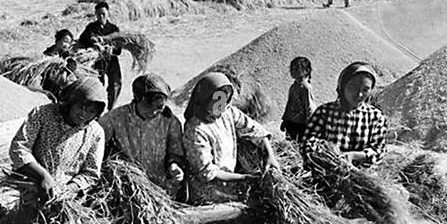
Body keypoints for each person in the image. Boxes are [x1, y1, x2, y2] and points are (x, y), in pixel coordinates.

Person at [183, 71, 277, 205]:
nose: (221, 104)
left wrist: (270, 156)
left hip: (232, 186)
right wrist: (245, 179)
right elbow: (208, 172)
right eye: (216, 99)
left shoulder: (228, 112)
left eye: (225, 99)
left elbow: (255, 130)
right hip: (208, 195)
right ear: (204, 99)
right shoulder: (196, 129)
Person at [9, 75, 106, 202]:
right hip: (30, 188)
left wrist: (68, 190)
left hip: (66, 199)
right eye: (81, 107)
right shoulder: (43, 114)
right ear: (71, 100)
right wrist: (43, 175)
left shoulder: (95, 133)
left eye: (91, 111)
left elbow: (91, 173)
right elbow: (19, 147)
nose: (84, 114)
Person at [100, 72, 185, 195]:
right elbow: (96, 145)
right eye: (149, 106)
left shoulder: (170, 122)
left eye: (159, 107)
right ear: (138, 99)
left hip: (161, 189)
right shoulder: (114, 119)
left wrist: (174, 165)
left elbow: (175, 152)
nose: (154, 112)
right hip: (127, 189)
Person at [303, 61, 388, 170]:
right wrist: (330, 157)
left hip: (360, 178)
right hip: (327, 173)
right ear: (342, 85)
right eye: (353, 87)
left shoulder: (376, 117)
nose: (359, 94)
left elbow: (379, 150)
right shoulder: (325, 112)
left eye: (365, 89)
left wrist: (353, 156)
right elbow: (308, 144)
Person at [77, 0, 122, 109]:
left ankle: (110, 108)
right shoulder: (91, 27)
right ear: (95, 15)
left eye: (103, 14)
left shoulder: (114, 29)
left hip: (111, 60)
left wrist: (113, 49)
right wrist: (93, 43)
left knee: (116, 84)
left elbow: (119, 48)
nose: (101, 17)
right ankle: (98, 110)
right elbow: (82, 39)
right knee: (98, 85)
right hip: (97, 61)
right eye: (98, 14)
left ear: (108, 13)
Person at [280, 56, 315, 143]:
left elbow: (309, 105)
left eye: (296, 69)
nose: (292, 71)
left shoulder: (305, 87)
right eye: (291, 69)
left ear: (306, 71)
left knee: (299, 144)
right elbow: (289, 104)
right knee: (290, 143)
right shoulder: (293, 86)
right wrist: (285, 120)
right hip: (291, 122)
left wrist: (309, 123)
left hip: (300, 123)